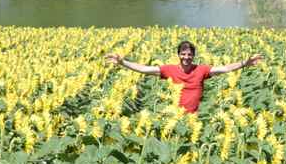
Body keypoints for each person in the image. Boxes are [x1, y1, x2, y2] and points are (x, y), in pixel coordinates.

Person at [105, 40, 263, 114]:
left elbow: (224, 69)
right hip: (174, 115)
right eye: (183, 54)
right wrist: (122, 62)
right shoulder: (169, 69)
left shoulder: (201, 70)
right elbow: (145, 69)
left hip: (193, 117)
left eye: (189, 54)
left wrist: (244, 63)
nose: (186, 57)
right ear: (178, 55)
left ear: (193, 56)